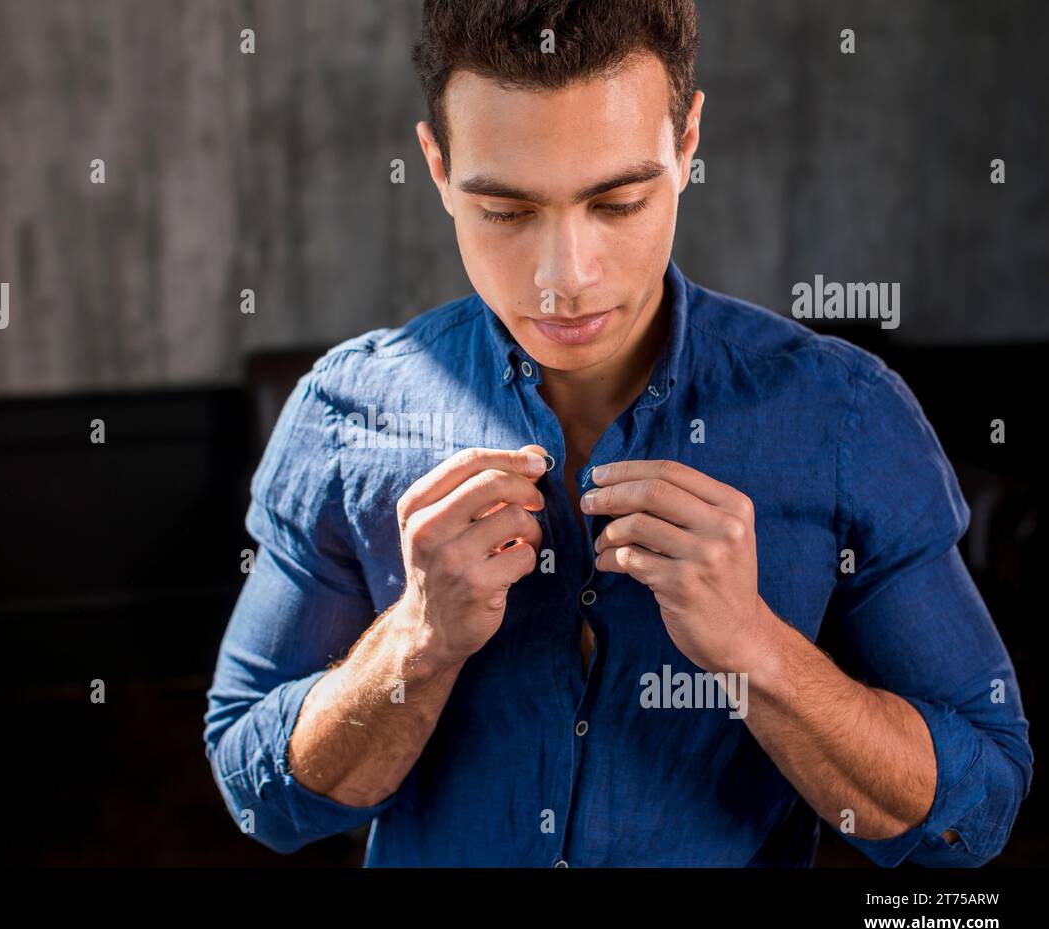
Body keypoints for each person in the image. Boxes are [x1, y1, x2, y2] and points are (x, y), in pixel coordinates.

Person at [203, 0, 1032, 866]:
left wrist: (757, 651)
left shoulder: (846, 415)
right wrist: (417, 639)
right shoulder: (344, 414)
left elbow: (977, 814)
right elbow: (260, 796)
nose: (565, 278)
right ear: (438, 167)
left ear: (688, 145)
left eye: (619, 201)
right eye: (507, 212)